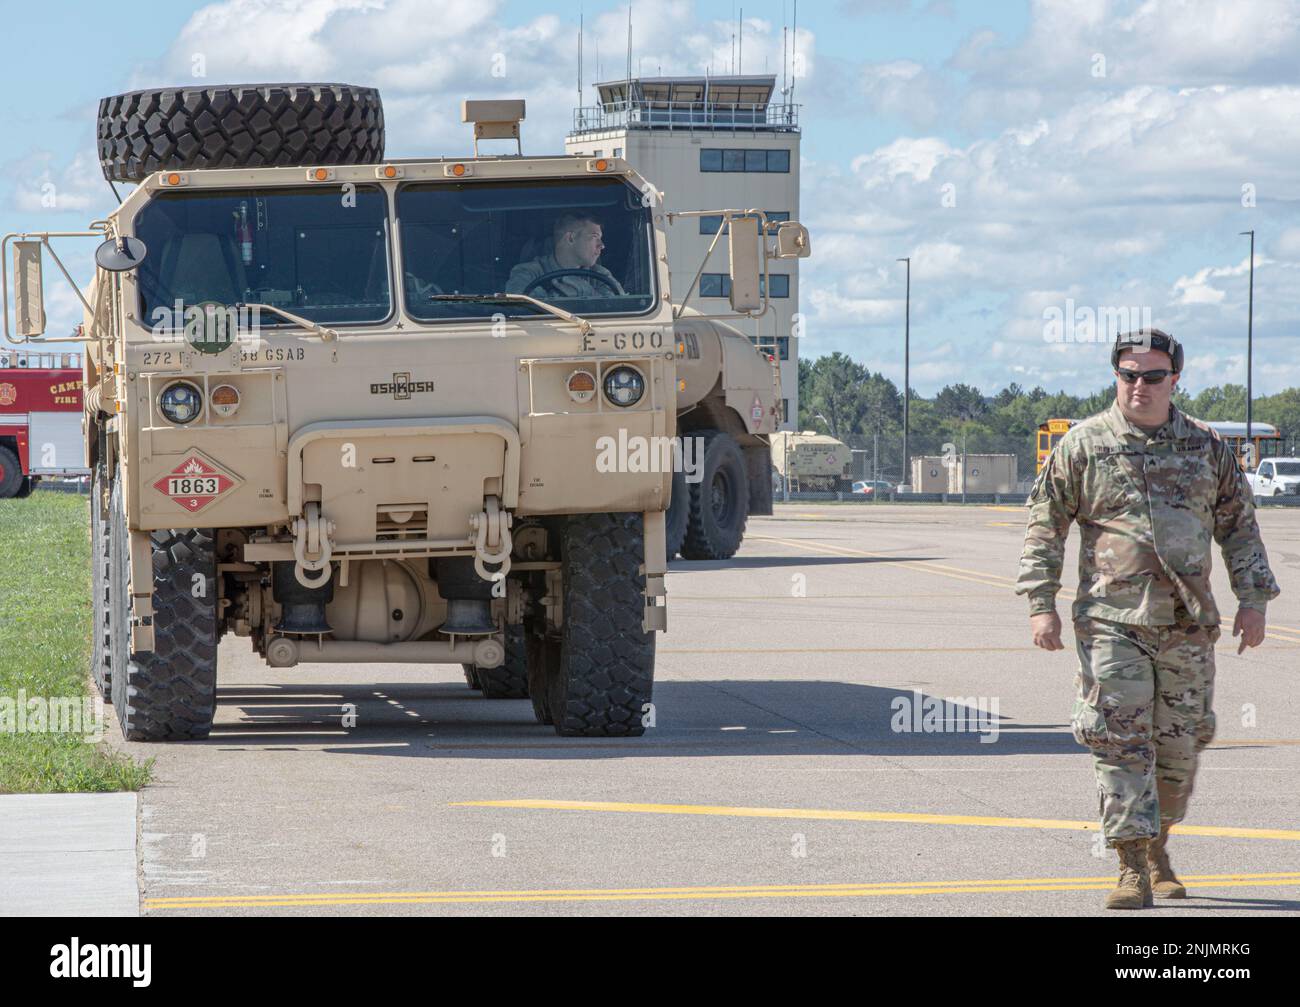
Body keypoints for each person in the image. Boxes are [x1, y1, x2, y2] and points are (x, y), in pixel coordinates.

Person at [1016, 328, 1279, 910]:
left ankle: (1160, 840)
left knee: (1180, 750)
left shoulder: (1206, 446)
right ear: (1117, 378)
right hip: (1111, 622)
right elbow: (1045, 526)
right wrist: (1041, 605)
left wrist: (1253, 600)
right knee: (1119, 742)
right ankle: (1131, 865)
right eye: (1129, 374)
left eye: (1152, 375)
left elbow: (1239, 527)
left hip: (1188, 624)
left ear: (1174, 380)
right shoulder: (1084, 445)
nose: (1139, 385)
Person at [506, 212, 623, 298]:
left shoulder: (601, 275)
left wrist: (585, 291)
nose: (602, 245)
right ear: (571, 238)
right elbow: (522, 310)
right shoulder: (527, 273)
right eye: (594, 237)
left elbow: (622, 309)